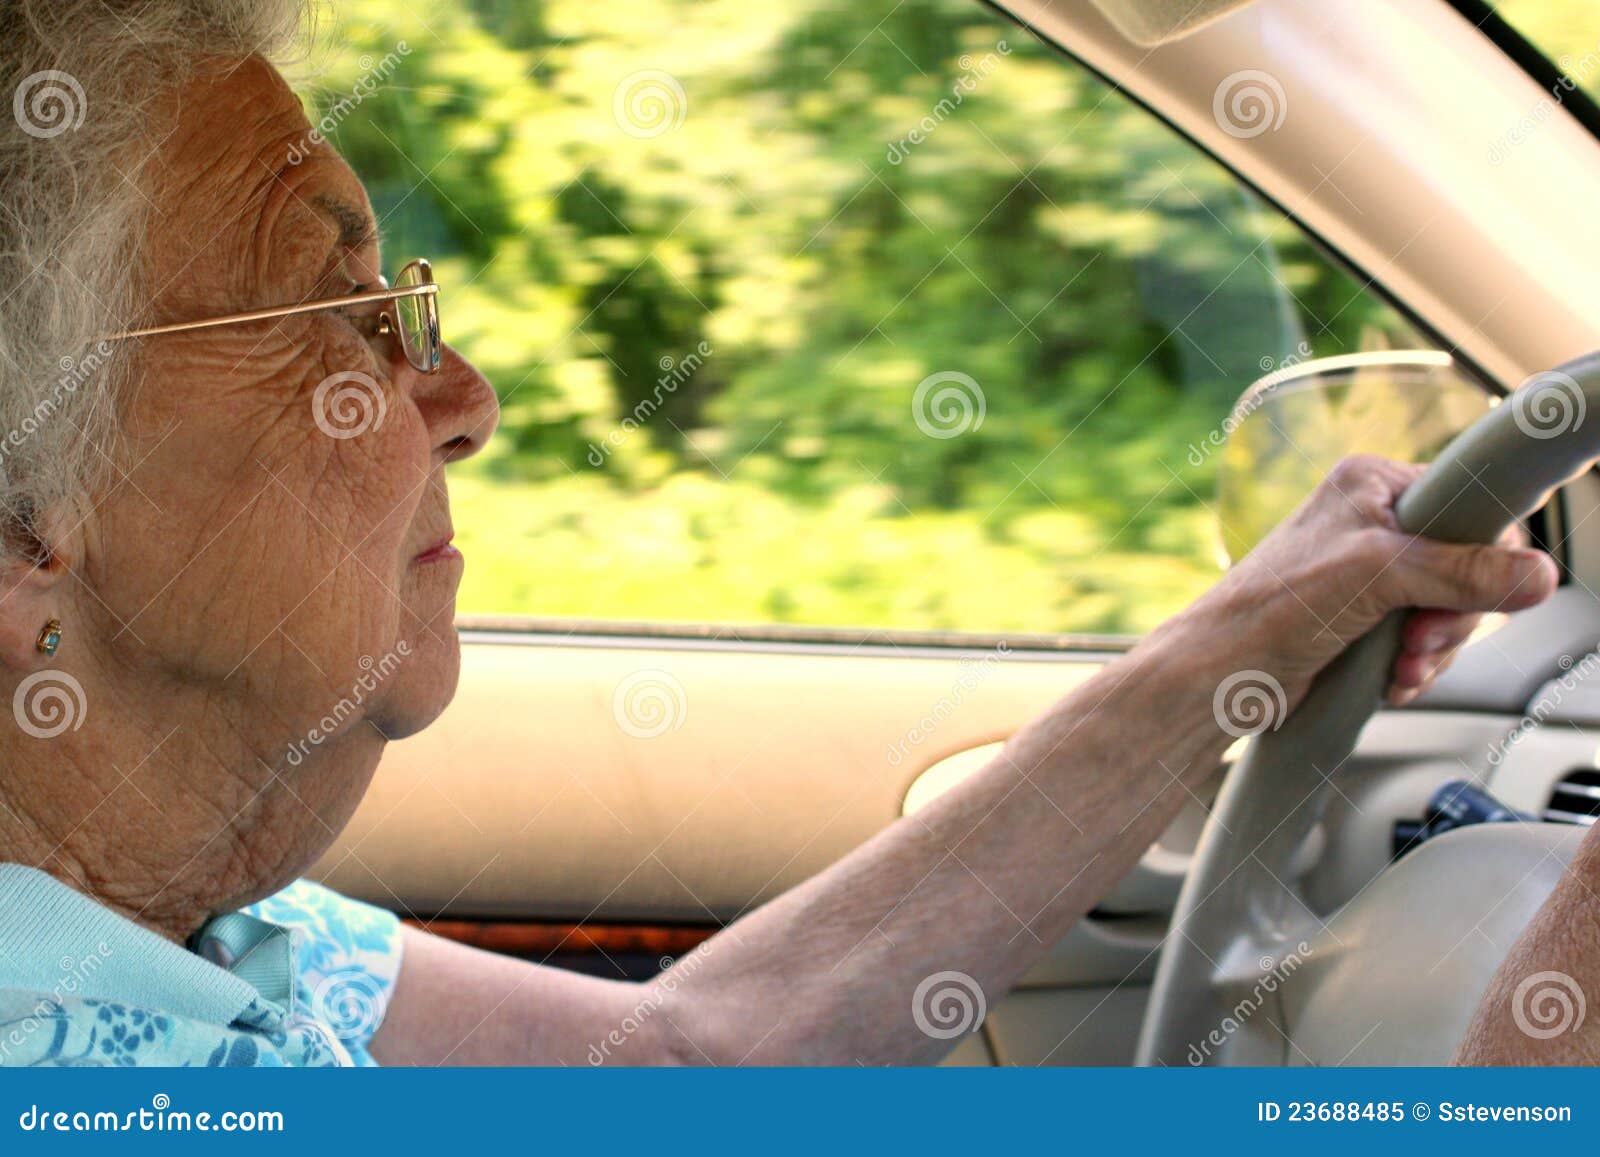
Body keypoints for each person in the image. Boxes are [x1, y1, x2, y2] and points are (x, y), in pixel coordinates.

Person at [0, 0, 1560, 1066]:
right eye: (335, 317)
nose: (461, 395)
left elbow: (680, 1068)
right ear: (23, 541)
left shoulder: (182, 931)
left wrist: (1245, 637)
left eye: (402, 299)